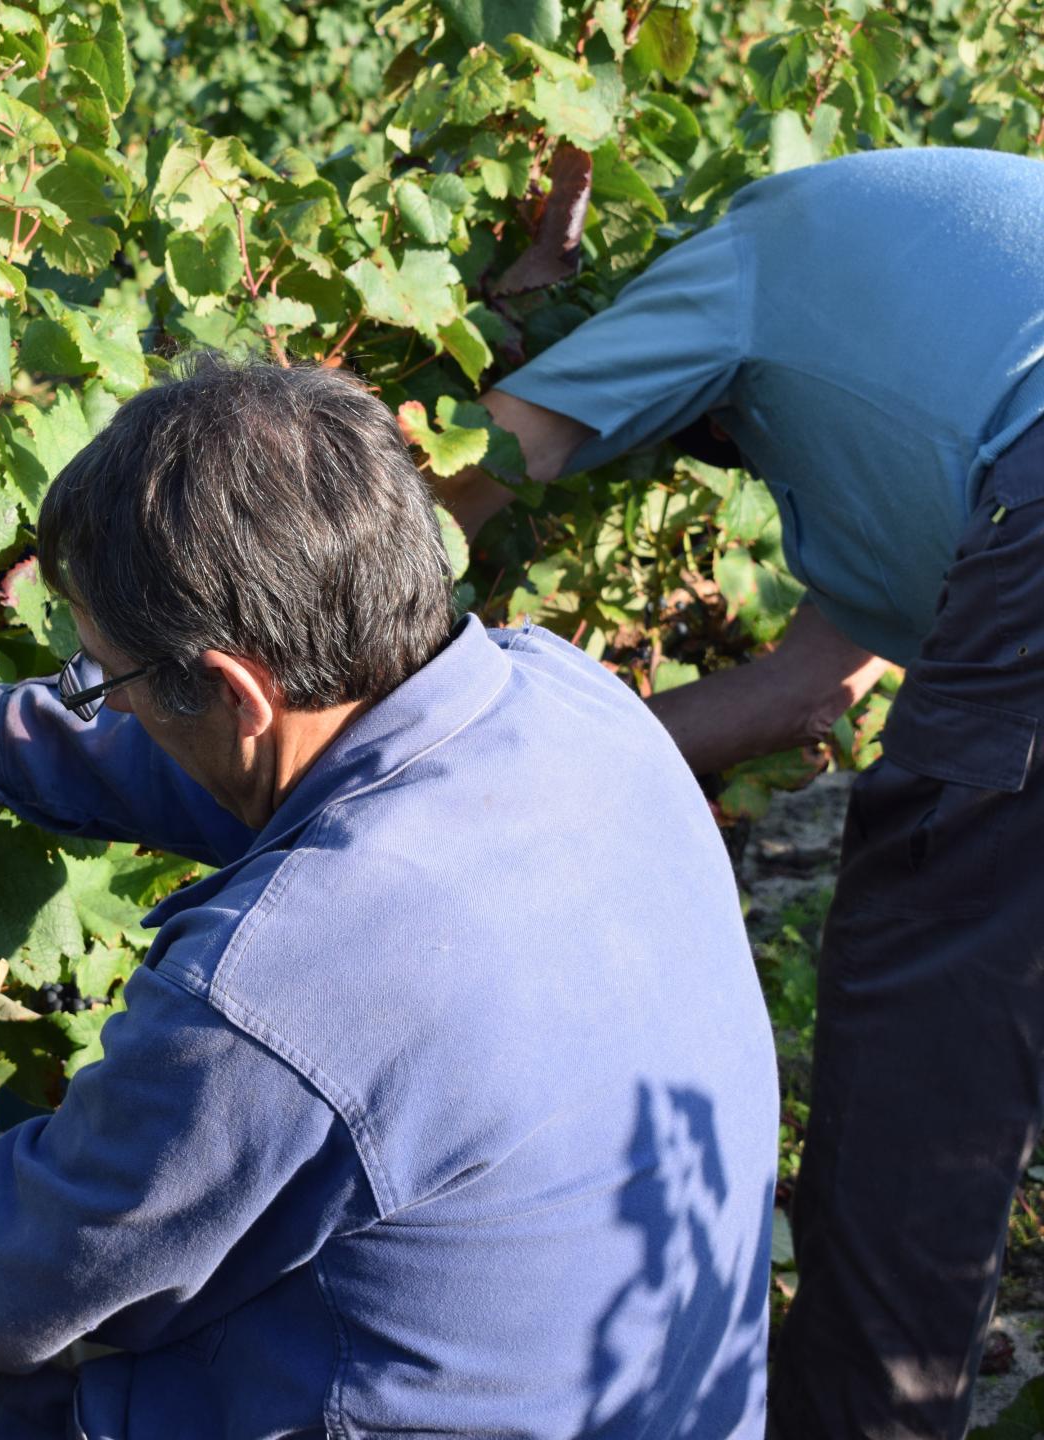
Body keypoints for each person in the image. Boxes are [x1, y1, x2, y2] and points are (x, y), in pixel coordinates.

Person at [0, 356, 777, 1439]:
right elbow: (250, 763)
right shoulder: (570, 704)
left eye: (103, 678)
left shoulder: (285, 986)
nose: (101, 702)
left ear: (232, 690)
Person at [436, 146, 1044, 1440]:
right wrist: (524, 774)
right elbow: (805, 689)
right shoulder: (906, 389)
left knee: (930, 1012)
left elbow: (482, 466)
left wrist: (386, 752)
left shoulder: (739, 252)